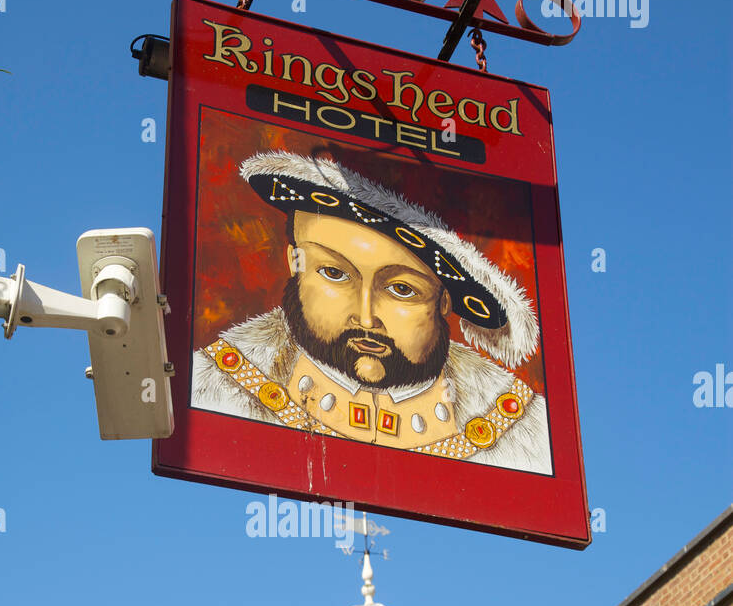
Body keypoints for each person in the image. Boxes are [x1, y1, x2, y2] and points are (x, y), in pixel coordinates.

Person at [192, 151, 551, 473]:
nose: (365, 318)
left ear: (444, 301)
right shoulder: (210, 389)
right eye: (334, 273)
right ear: (294, 262)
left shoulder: (525, 431)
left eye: (402, 289)